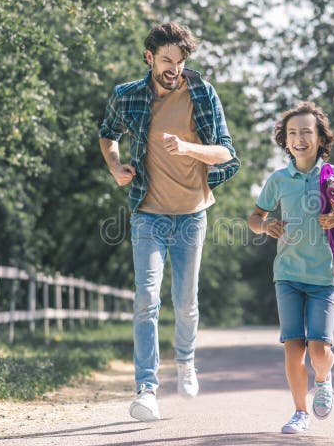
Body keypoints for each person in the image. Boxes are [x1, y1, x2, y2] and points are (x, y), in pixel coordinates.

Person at [99, 23, 240, 422]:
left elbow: (226, 153)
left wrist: (188, 148)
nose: (173, 69)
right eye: (166, 61)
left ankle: (186, 363)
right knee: (146, 298)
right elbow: (107, 135)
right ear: (149, 57)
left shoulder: (201, 92)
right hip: (148, 213)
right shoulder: (127, 96)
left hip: (192, 214)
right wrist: (114, 166)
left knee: (186, 303)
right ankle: (146, 389)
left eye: (179, 62)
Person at [248, 102, 334, 434]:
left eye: (306, 132)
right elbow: (254, 218)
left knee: (319, 350)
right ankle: (300, 412)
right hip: (286, 274)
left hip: (324, 274)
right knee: (294, 346)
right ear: (285, 140)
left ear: (320, 137)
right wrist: (264, 226)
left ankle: (324, 379)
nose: (299, 138)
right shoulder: (279, 179)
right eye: (293, 133)